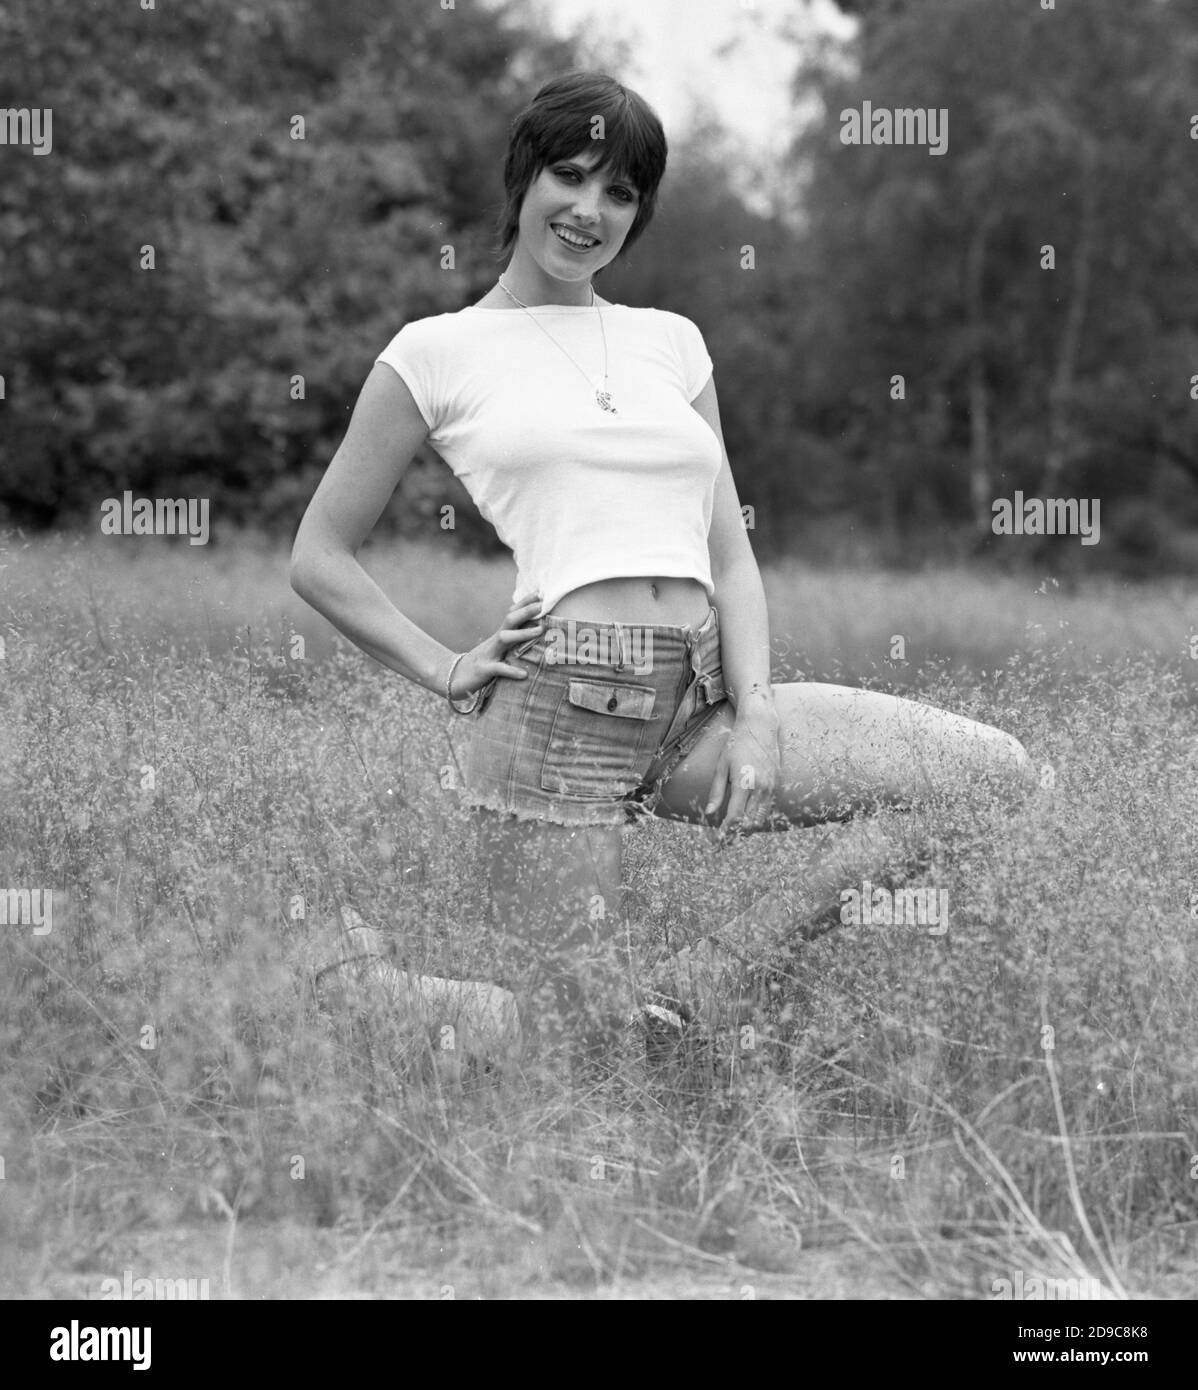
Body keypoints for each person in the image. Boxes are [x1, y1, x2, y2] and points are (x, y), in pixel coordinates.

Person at [290, 71, 1035, 1077]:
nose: (589, 211)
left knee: (987, 775)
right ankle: (351, 982)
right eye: (569, 176)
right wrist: (442, 666)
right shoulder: (435, 353)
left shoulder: (669, 342)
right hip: (556, 708)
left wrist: (761, 710)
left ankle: (700, 985)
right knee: (571, 1054)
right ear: (522, 177)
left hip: (702, 697)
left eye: (620, 193)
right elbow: (318, 554)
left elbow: (727, 546)